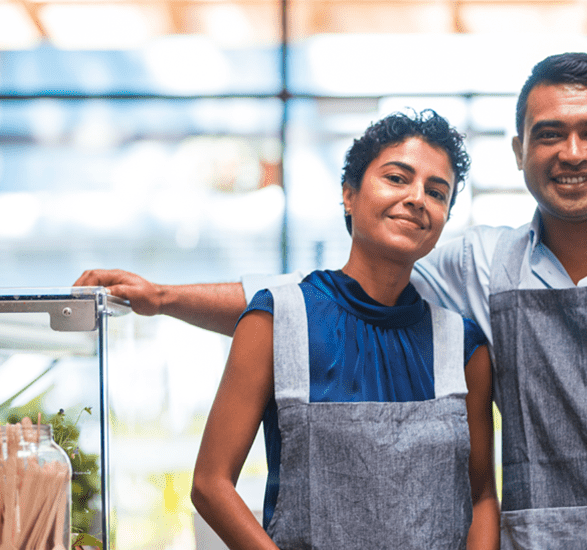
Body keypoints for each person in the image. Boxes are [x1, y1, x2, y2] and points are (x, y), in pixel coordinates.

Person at [76, 53, 587, 549]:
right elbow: (311, 300)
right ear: (520, 152)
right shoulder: (484, 265)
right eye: (549, 134)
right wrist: (163, 296)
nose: (574, 152)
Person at [186, 109, 499, 549]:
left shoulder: (463, 346)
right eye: (396, 178)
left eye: (436, 191)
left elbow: (482, 496)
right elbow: (210, 483)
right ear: (349, 195)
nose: (417, 198)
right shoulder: (276, 321)